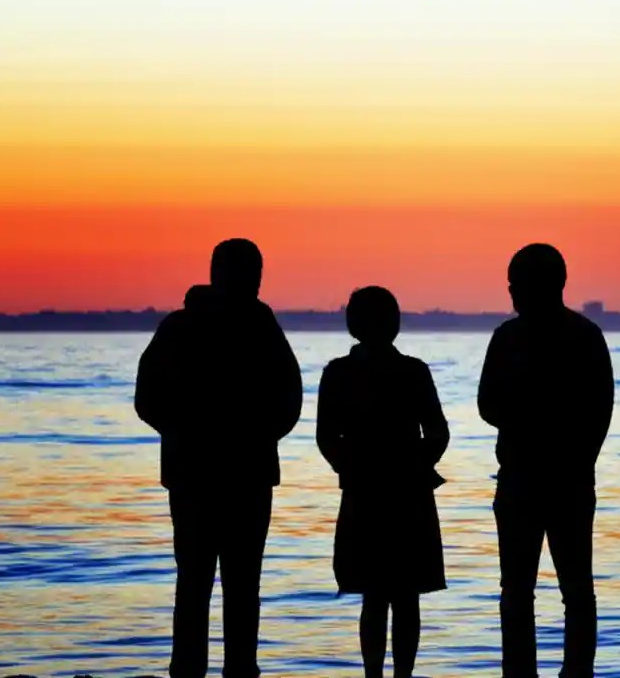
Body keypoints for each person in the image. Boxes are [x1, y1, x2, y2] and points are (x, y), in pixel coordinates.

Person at [134, 238, 303, 678]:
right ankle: (226, 670)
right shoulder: (230, 326)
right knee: (229, 581)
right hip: (225, 473)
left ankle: (209, 669)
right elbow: (290, 398)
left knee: (204, 581)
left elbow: (289, 399)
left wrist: (182, 434)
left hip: (210, 472)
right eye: (249, 272)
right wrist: (248, 435)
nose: (254, 282)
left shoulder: (191, 326)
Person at [478, 243, 615, 678]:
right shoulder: (581, 335)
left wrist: (524, 418)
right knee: (565, 593)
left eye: (516, 284)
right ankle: (566, 672)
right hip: (551, 480)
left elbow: (488, 405)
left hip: (541, 480)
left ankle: (538, 673)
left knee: (528, 592)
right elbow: (601, 410)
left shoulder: (516, 338)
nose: (512, 293)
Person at [316, 286, 450, 678]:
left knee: (388, 597)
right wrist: (398, 465)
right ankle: (385, 675)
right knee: (391, 597)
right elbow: (438, 434)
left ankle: (383, 675)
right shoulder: (401, 371)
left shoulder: (350, 372)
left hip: (385, 493)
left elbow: (327, 439)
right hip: (385, 493)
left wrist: (364, 466)